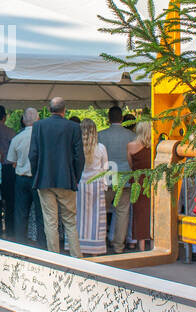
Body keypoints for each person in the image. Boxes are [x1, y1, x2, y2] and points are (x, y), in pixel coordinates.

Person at [29, 97, 84, 257]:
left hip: (44, 180)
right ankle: (76, 257)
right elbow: (79, 157)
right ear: (64, 110)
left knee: (50, 221)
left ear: (49, 109)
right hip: (67, 180)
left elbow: (33, 154)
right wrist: (75, 177)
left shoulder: (38, 126)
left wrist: (36, 175)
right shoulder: (73, 127)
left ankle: (55, 258)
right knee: (70, 221)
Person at [99, 106, 135, 254]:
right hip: (125, 178)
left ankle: (100, 242)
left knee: (101, 211)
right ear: (122, 119)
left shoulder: (101, 135)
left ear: (108, 118)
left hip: (106, 178)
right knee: (122, 212)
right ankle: (119, 246)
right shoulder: (131, 136)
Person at [7, 107, 44, 246]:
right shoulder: (42, 137)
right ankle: (42, 244)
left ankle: (20, 244)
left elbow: (11, 160)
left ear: (23, 120)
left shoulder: (17, 138)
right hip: (39, 178)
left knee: (21, 213)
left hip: (21, 178)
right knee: (40, 214)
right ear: (38, 119)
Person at [77, 119, 110, 256]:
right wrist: (106, 185)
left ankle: (78, 245)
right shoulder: (100, 147)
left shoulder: (77, 147)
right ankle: (95, 249)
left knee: (79, 216)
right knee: (96, 217)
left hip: (80, 184)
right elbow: (106, 167)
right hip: (96, 184)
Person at [0, 105, 15, 238]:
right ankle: (10, 229)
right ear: (4, 116)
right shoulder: (10, 132)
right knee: (10, 201)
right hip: (8, 168)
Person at [128, 121, 153, 249]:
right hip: (152, 181)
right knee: (152, 212)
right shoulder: (154, 146)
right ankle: (153, 242)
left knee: (139, 213)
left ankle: (141, 244)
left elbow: (131, 165)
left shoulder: (131, 146)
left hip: (137, 181)